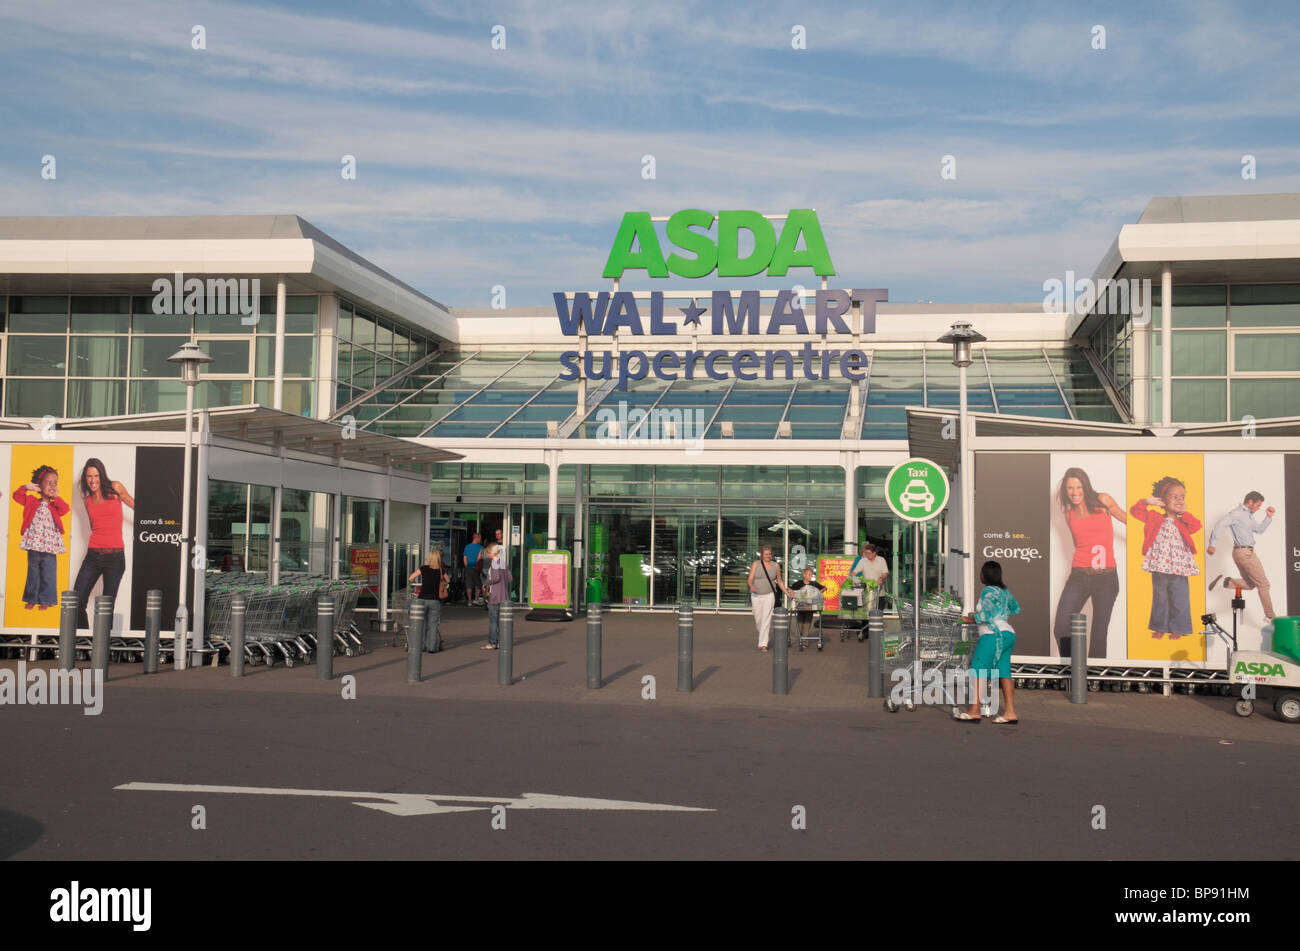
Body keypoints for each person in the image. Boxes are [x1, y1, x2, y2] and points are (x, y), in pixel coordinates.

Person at [1053, 467, 1125, 658]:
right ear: (1065, 491)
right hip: (1078, 576)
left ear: (1085, 486)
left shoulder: (1103, 501)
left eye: (1078, 487)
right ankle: (1074, 671)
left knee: (1099, 635)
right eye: (1070, 488)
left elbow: (1129, 520)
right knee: (1061, 627)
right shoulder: (1069, 515)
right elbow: (1079, 543)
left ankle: (1094, 679)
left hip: (1106, 578)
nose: (1075, 492)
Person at [1130, 476, 1202, 640]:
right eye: (1174, 496)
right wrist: (1147, 501)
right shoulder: (1154, 517)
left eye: (1182, 497)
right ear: (1163, 500)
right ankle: (1160, 626)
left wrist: (1184, 513)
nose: (1179, 500)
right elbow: (1135, 512)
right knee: (1160, 598)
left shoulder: (1183, 521)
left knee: (1179, 599)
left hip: (1179, 566)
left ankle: (1178, 627)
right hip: (1159, 566)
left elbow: (1196, 526)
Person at [72, 459, 135, 629]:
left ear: (102, 475)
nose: (92, 480)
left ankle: (102, 647)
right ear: (85, 479)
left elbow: (136, 505)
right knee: (76, 602)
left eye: (96, 476)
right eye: (89, 476)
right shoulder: (87, 501)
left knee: (106, 608)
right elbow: (95, 526)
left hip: (115, 559)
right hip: (93, 557)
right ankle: (84, 643)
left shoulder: (115, 488)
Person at [956, 560, 1019, 724]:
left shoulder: (987, 591)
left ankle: (974, 711)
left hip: (992, 634)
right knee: (1004, 672)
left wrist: (968, 619)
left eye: (981, 572)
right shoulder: (1004, 591)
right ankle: (1010, 712)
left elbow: (985, 615)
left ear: (985, 575)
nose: (980, 575)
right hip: (1008, 633)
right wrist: (1001, 615)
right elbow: (1014, 607)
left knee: (978, 670)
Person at [1207, 491, 1276, 620]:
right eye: (1257, 505)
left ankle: (1225, 582)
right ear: (1250, 502)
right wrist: (1212, 544)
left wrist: (1268, 517)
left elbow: (1259, 530)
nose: (1258, 508)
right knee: (1264, 584)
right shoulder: (1236, 514)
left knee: (1251, 584)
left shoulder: (1248, 515)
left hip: (1245, 553)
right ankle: (1270, 616)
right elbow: (1219, 525)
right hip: (1244, 553)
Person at [13, 465, 70, 611]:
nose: (52, 485)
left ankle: (46, 600)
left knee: (48, 574)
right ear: (40, 485)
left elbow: (65, 509)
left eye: (55, 483)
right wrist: (26, 487)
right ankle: (31, 599)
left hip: (50, 546)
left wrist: (55, 497)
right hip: (34, 545)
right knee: (33, 573)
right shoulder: (32, 501)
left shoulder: (55, 504)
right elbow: (17, 496)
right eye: (48, 482)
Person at [747, 546, 795, 652]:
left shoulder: (776, 566)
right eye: (766, 554)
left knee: (766, 619)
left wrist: (787, 593)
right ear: (762, 555)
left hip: (769, 595)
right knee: (758, 619)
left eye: (769, 554)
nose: (768, 556)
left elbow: (779, 581)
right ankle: (763, 636)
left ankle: (763, 644)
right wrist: (751, 586)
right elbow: (750, 578)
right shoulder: (756, 564)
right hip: (756, 595)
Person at [407, 550, 445, 652]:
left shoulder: (424, 569)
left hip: (422, 599)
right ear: (438, 559)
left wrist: (413, 582)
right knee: (433, 625)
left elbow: (411, 578)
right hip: (435, 601)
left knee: (421, 624)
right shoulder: (441, 570)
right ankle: (432, 647)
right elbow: (448, 580)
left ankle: (421, 646)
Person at [482, 541, 513, 650]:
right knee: (502, 621)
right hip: (504, 595)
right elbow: (510, 578)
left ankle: (492, 642)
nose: (488, 555)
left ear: (492, 552)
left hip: (495, 595)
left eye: (488, 552)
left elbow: (495, 578)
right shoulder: (502, 562)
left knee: (493, 621)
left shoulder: (494, 562)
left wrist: (486, 583)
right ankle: (501, 642)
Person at [789, 567, 826, 643]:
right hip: (800, 606)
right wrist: (792, 593)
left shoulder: (814, 584)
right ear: (804, 575)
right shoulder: (799, 583)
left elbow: (824, 588)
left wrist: (819, 593)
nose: (810, 576)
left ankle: (804, 640)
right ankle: (801, 637)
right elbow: (789, 588)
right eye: (808, 574)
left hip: (810, 607)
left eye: (811, 575)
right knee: (800, 623)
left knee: (807, 623)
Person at [462, 532, 484, 605]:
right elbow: (479, 558)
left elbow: (465, 558)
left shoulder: (467, 547)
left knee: (469, 585)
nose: (481, 539)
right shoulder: (481, 548)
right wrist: (478, 567)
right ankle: (476, 599)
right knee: (478, 584)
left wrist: (466, 566)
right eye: (480, 538)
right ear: (476, 538)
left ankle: (469, 601)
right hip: (476, 568)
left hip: (468, 568)